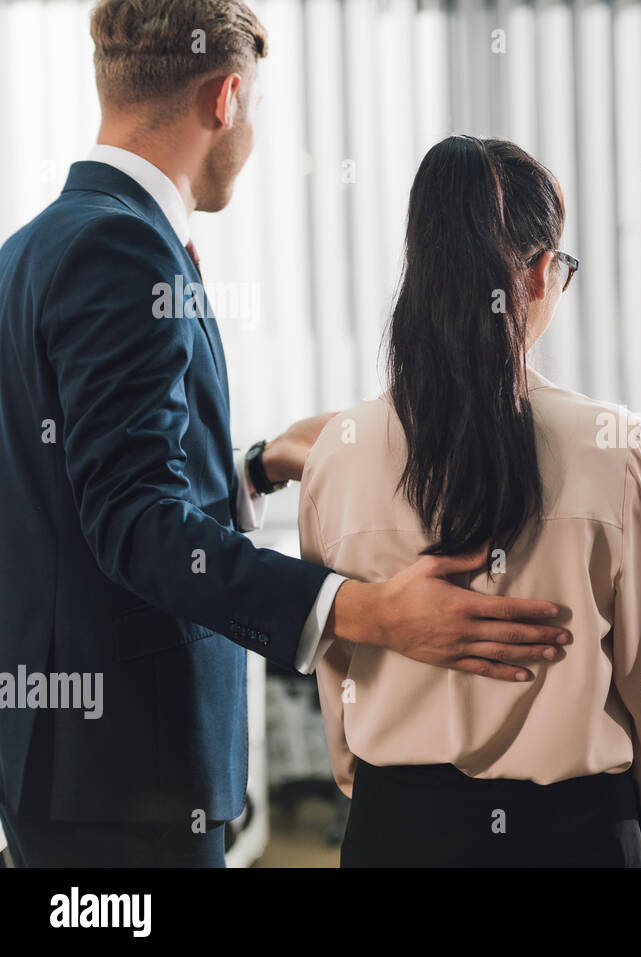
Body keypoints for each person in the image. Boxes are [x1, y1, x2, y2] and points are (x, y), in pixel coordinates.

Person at [0, 0, 569, 867]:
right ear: (226, 98)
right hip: (123, 763)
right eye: (255, 108)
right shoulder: (123, 251)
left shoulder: (32, 247)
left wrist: (256, 466)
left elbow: (72, 489)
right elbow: (133, 521)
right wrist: (363, 609)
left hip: (67, 758)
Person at [301, 135, 641, 868]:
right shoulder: (615, 444)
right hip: (574, 831)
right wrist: (630, 823)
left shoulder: (336, 452)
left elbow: (336, 673)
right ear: (544, 273)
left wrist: (384, 796)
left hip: (396, 831)